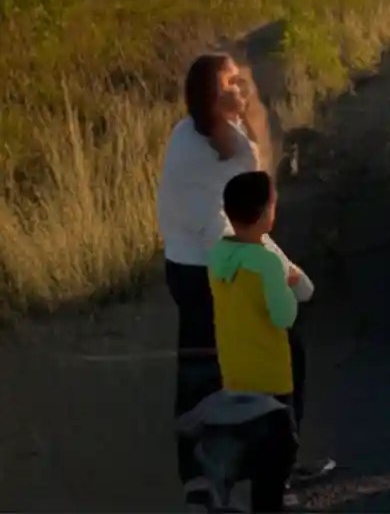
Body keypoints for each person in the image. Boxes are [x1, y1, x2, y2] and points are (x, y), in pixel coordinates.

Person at [156, 53, 330, 508]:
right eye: (232, 83)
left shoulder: (182, 136)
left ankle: (200, 478)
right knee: (277, 359)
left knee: (201, 376)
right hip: (225, 267)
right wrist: (292, 275)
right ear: (217, 98)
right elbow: (252, 223)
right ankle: (277, 466)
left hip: (184, 268)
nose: (241, 86)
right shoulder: (235, 149)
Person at [208, 171, 303, 512]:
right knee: (274, 464)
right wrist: (289, 282)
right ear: (264, 213)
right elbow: (284, 317)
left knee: (249, 455)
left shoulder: (218, 254)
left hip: (235, 374)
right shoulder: (266, 262)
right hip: (271, 377)